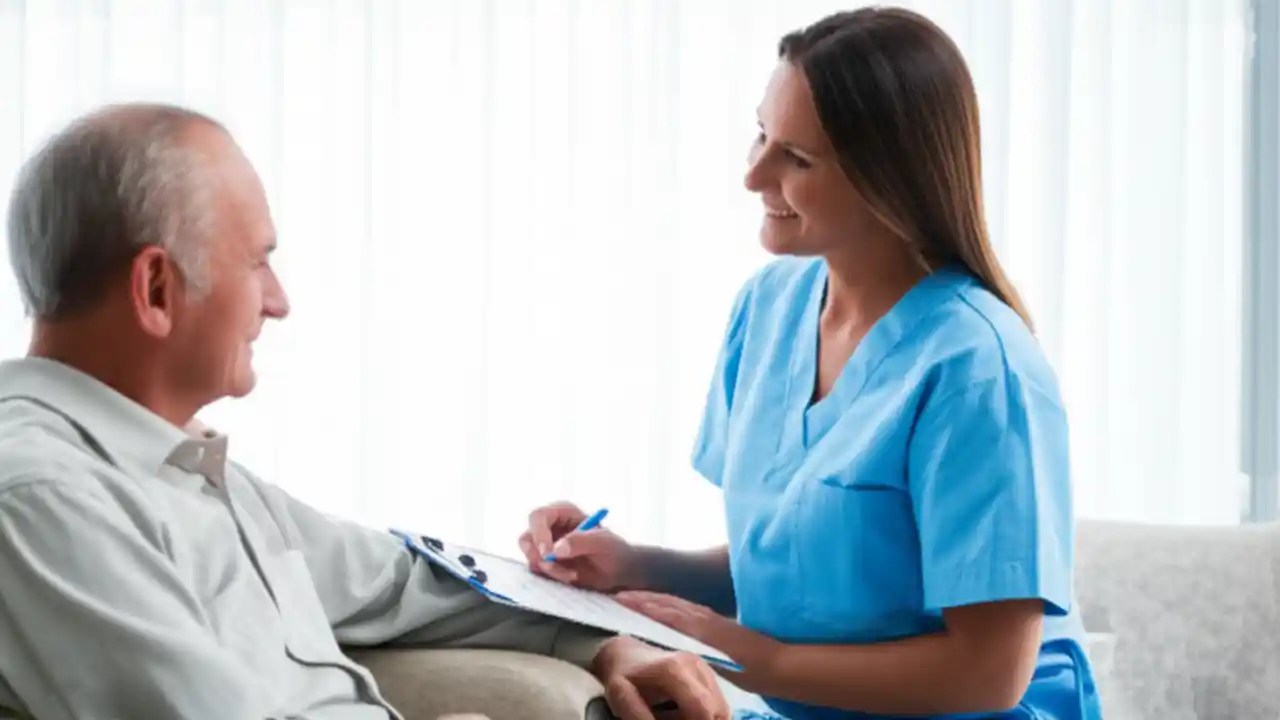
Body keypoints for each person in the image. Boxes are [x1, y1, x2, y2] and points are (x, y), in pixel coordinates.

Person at [0, 104, 729, 720]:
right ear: (156, 289)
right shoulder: (44, 498)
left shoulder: (181, 466)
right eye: (256, 262)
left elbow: (403, 582)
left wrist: (600, 644)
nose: (279, 301)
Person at [521, 8, 1102, 720]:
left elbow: (989, 673)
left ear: (891, 177)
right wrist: (635, 565)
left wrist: (761, 659)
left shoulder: (981, 370)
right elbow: (794, 575)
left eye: (796, 158)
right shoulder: (769, 308)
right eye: (761, 133)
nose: (752, 174)